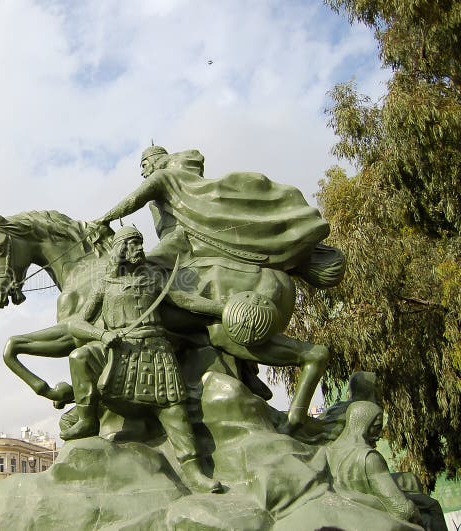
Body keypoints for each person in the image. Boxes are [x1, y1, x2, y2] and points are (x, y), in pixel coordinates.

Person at [91, 145, 346, 432]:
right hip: (188, 247)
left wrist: (103, 219)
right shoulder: (184, 183)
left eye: (144, 165)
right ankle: (246, 373)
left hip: (179, 246)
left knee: (142, 276)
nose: (143, 171)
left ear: (155, 160)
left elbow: (132, 200)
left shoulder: (163, 178)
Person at [62, 225, 224, 493]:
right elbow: (76, 324)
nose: (140, 248)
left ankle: (194, 471)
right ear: (121, 249)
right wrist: (102, 335)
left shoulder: (152, 278)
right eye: (134, 243)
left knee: (174, 410)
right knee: (80, 356)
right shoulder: (104, 283)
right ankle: (87, 419)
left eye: (140, 243)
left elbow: (184, 300)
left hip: (154, 349)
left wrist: (221, 308)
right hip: (117, 349)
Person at [326, 401, 419, 524]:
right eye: (377, 427)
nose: (380, 435)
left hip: (344, 517)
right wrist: (416, 511)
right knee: (431, 506)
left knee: (410, 480)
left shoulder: (327, 451)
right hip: (372, 520)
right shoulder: (369, 458)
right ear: (364, 425)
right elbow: (402, 511)